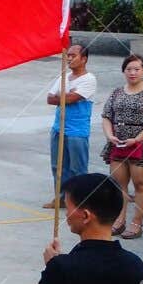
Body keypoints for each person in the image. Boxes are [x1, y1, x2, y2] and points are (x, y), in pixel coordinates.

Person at [100, 53, 143, 240]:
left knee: (140, 185)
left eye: (137, 69)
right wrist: (109, 135)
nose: (133, 73)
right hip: (118, 142)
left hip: (140, 144)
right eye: (129, 69)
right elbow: (106, 115)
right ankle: (119, 220)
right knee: (118, 184)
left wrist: (137, 139)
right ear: (123, 71)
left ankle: (137, 223)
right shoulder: (117, 92)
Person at [45, 42, 97, 208]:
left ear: (84, 59)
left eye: (73, 56)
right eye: (68, 55)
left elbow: (70, 99)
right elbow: (49, 99)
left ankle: (81, 202)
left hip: (77, 131)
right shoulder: (63, 77)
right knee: (58, 167)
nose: (69, 59)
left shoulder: (89, 79)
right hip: (58, 128)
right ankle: (61, 198)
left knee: (78, 169)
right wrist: (65, 96)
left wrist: (64, 96)